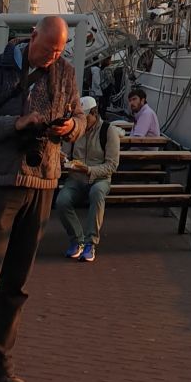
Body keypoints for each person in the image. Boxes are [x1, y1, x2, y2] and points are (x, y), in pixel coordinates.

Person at [0, 15, 83, 382]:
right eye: (47, 49)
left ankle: (1, 366)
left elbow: (80, 115)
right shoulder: (1, 68)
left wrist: (71, 128)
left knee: (16, 282)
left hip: (43, 180)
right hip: (2, 181)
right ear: (32, 37)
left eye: (59, 50)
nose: (52, 56)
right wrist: (14, 124)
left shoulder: (64, 72)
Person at [57, 96, 119, 262]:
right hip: (76, 178)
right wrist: (64, 159)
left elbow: (112, 165)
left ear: (94, 113)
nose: (82, 121)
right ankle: (77, 239)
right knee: (61, 201)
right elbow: (66, 154)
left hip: (100, 178)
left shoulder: (108, 130)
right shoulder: (75, 129)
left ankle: (91, 242)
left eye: (85, 117)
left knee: (97, 194)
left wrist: (90, 170)